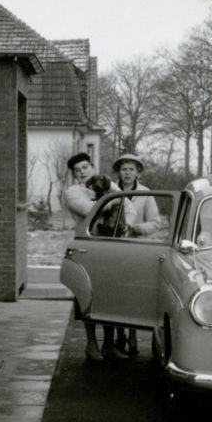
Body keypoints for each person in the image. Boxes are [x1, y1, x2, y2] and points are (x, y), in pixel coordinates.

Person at [63, 152, 135, 361]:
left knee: (110, 294)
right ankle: (91, 344)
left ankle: (109, 344)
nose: (82, 172)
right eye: (77, 171)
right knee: (89, 297)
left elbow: (128, 206)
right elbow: (91, 210)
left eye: (85, 167)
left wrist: (126, 224)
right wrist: (113, 201)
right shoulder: (73, 191)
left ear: (92, 167)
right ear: (74, 175)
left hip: (110, 247)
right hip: (88, 248)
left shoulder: (109, 186)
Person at [111, 153, 163, 355]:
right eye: (124, 169)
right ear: (119, 171)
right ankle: (119, 334)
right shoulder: (112, 191)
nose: (127, 173)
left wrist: (136, 228)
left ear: (137, 172)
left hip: (137, 249)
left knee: (133, 294)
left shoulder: (145, 193)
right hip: (115, 250)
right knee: (117, 294)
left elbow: (156, 222)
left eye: (131, 169)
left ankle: (133, 335)